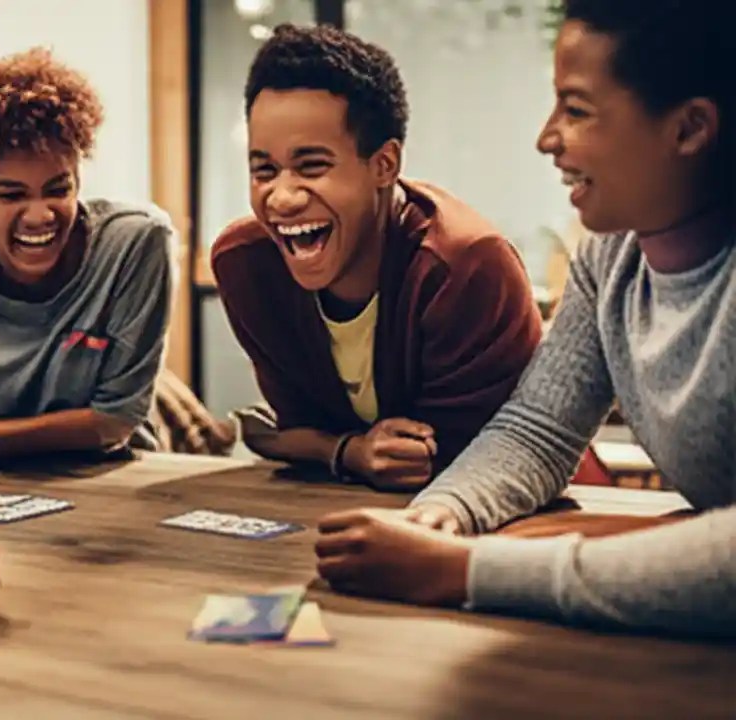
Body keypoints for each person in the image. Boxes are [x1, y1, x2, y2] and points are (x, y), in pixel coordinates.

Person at [315, 0, 735, 638]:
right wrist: (438, 519)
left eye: (577, 109)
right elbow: (538, 429)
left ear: (690, 128)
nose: (547, 138)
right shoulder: (610, 252)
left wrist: (468, 570)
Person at [212, 24, 541, 490]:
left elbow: (482, 454)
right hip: (344, 510)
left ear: (384, 165)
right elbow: (295, 430)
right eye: (264, 169)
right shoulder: (246, 264)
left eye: (312, 166)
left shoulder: (465, 268)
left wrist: (337, 450)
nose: (281, 198)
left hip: (515, 514)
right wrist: (348, 452)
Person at [0, 48, 176, 461]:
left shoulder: (135, 242)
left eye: (59, 190)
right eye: (12, 195)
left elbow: (118, 420)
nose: (40, 216)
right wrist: (89, 425)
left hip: (114, 475)